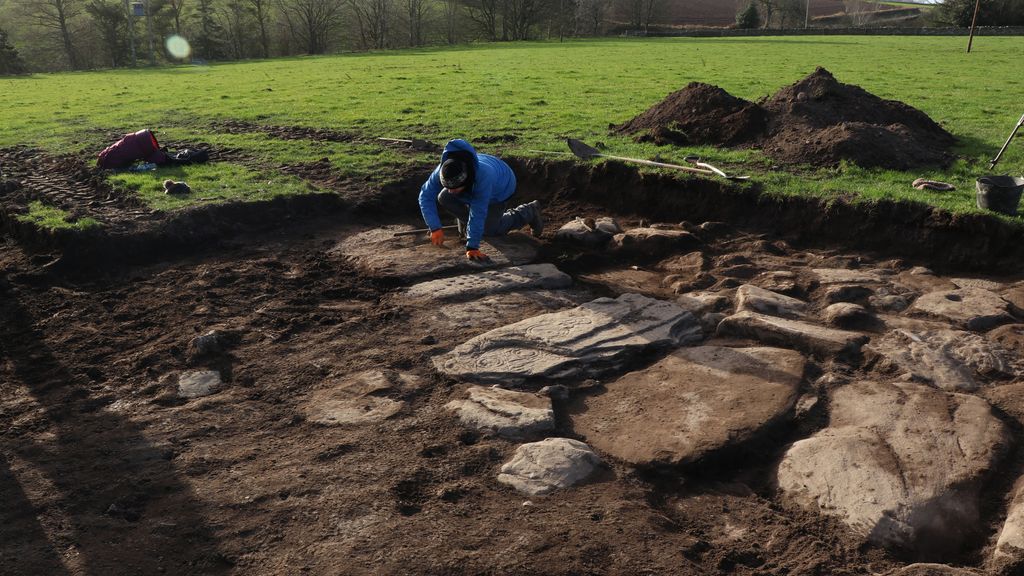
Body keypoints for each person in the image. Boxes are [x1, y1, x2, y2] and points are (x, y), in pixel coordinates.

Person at [418, 139, 543, 260]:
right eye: (447, 187)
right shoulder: (444, 168)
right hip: (480, 177)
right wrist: (434, 227)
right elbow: (425, 195)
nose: (450, 191)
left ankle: (529, 211)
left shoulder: (483, 178)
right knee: (445, 197)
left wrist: (472, 246)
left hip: (501, 186)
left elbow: (478, 212)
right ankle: (471, 228)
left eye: (454, 188)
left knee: (489, 230)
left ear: (466, 182)